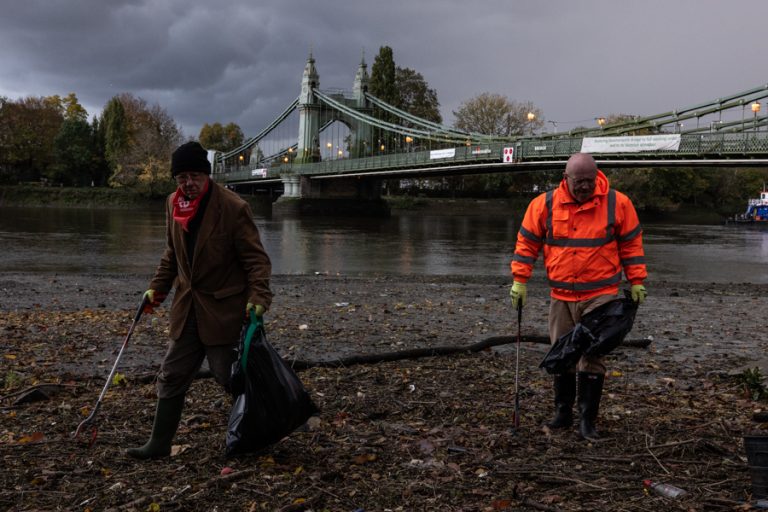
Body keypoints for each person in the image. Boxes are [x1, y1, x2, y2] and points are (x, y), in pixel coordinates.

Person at [127, 141, 273, 459]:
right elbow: (171, 254)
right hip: (186, 307)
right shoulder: (172, 204)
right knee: (172, 372)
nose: (188, 183)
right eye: (182, 177)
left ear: (206, 175)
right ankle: (159, 444)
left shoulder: (233, 207)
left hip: (223, 310)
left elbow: (256, 260)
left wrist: (259, 296)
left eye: (194, 175)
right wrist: (157, 289)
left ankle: (261, 431)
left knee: (229, 376)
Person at [509, 152, 647, 441]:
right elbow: (527, 243)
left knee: (592, 355)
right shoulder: (543, 205)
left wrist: (637, 281)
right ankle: (562, 413)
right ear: (566, 178)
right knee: (563, 352)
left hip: (601, 295)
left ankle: (587, 420)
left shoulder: (617, 203)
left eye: (589, 180)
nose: (585, 186)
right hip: (561, 295)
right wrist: (519, 281)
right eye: (579, 181)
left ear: (597, 176)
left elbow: (631, 244)